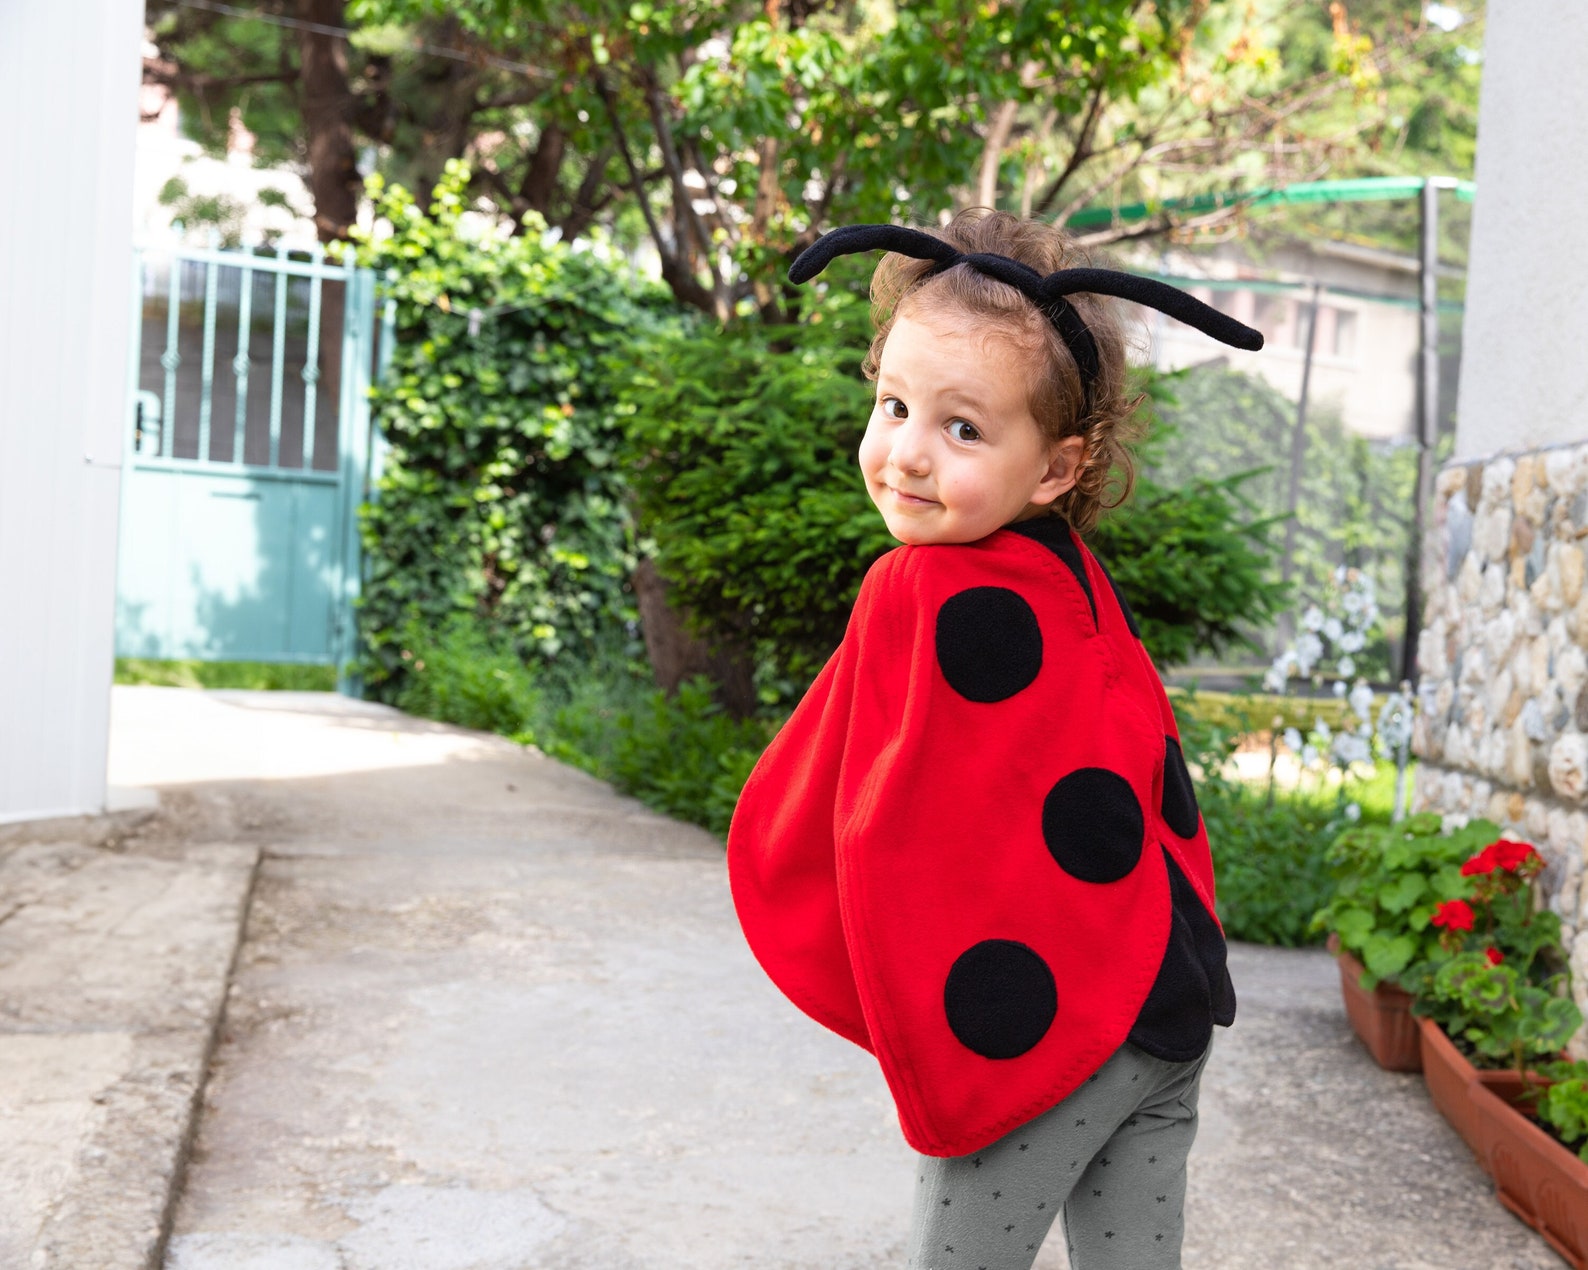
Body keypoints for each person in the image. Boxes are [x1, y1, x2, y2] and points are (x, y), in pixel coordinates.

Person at [726, 209, 1261, 1270]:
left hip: (1052, 1043)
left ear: (1057, 467)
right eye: (892, 404)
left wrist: (923, 1034)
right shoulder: (1071, 580)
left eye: (961, 428)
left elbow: (873, 824)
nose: (907, 453)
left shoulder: (916, 585)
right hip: (1169, 1000)